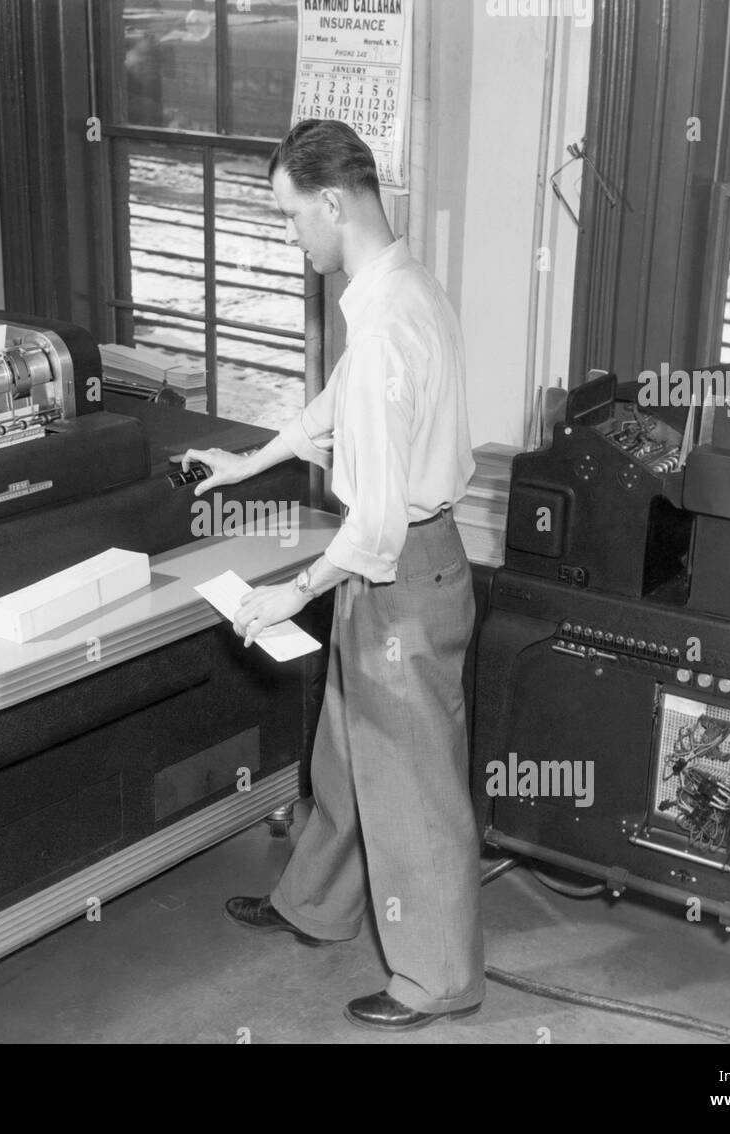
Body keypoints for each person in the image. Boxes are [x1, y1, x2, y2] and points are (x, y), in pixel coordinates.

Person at [178, 118, 484, 1032]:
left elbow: (379, 521)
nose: (289, 235)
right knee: (348, 751)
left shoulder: (390, 322)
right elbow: (334, 411)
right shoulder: (394, 290)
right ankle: (317, 905)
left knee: (413, 781)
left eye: (288, 215)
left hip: (402, 572)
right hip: (391, 571)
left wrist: (293, 591)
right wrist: (244, 464)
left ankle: (437, 979)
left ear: (332, 202)